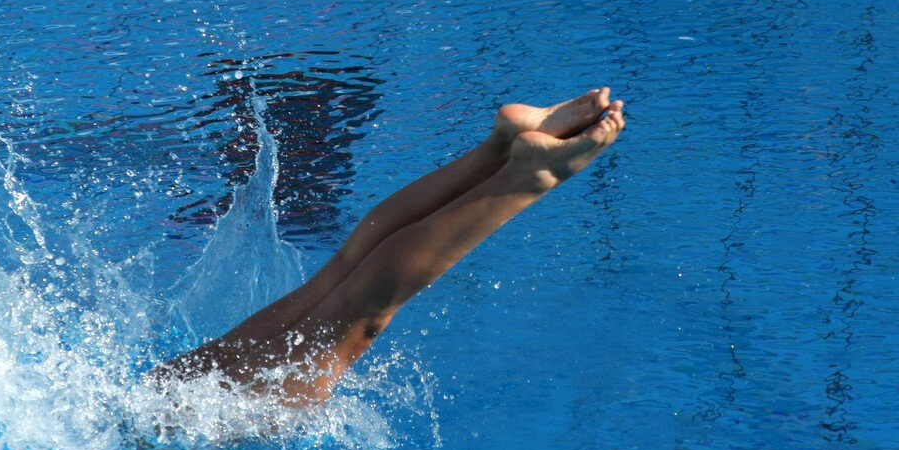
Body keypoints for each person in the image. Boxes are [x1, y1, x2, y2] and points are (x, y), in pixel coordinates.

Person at [150, 88, 625, 405]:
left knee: (350, 319)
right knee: (336, 280)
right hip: (153, 397)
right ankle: (496, 152)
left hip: (160, 437)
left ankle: (526, 176)